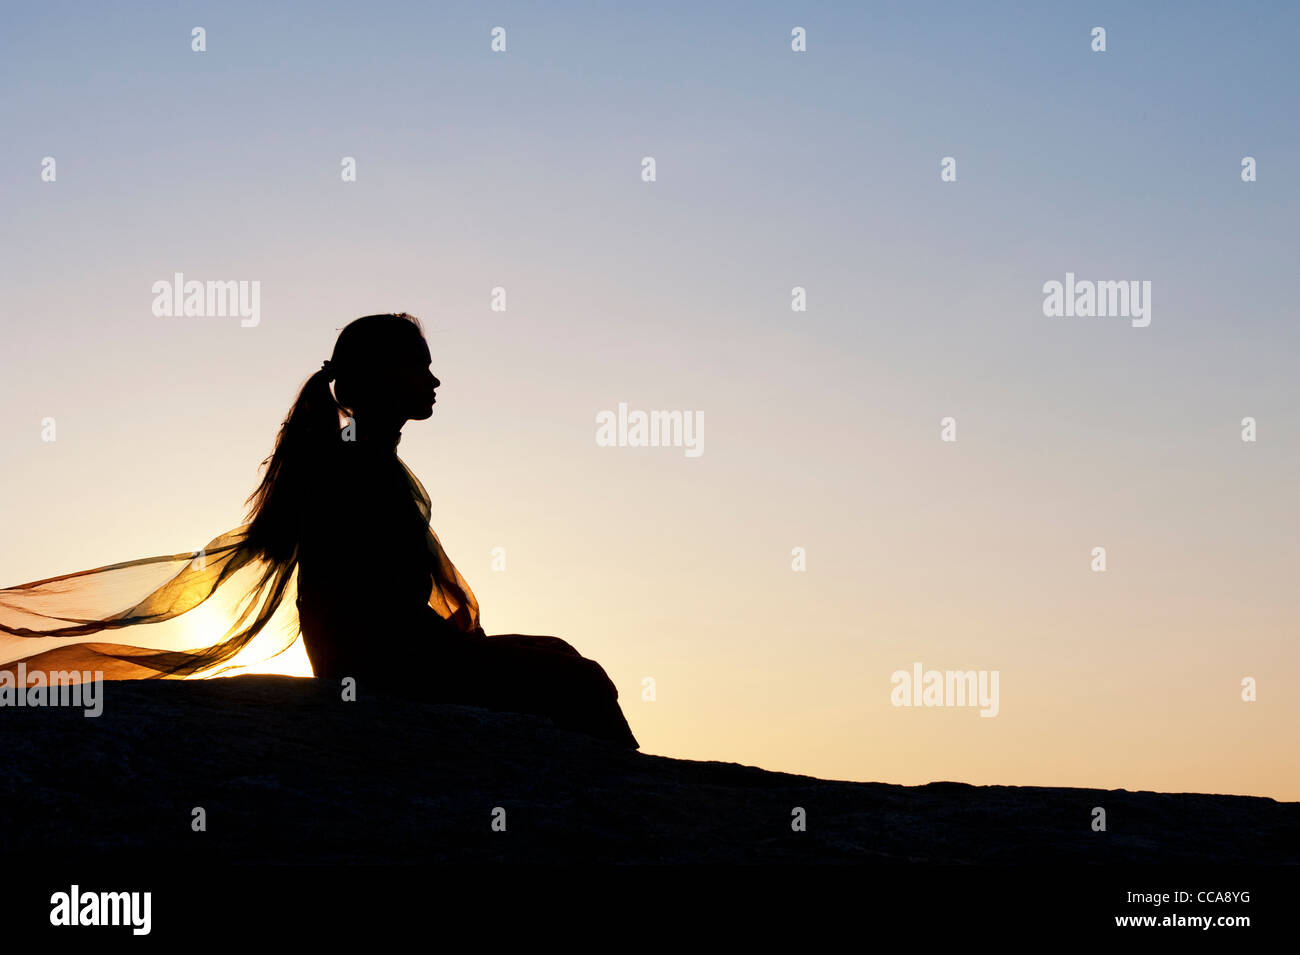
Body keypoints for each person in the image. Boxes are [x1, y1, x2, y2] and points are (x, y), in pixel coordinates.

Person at [0, 313, 639, 749]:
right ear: (387, 378)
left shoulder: (366, 456)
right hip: (382, 665)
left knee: (559, 652)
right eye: (422, 368)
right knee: (579, 680)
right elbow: (365, 606)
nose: (436, 381)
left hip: (390, 653)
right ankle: (627, 795)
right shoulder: (352, 464)